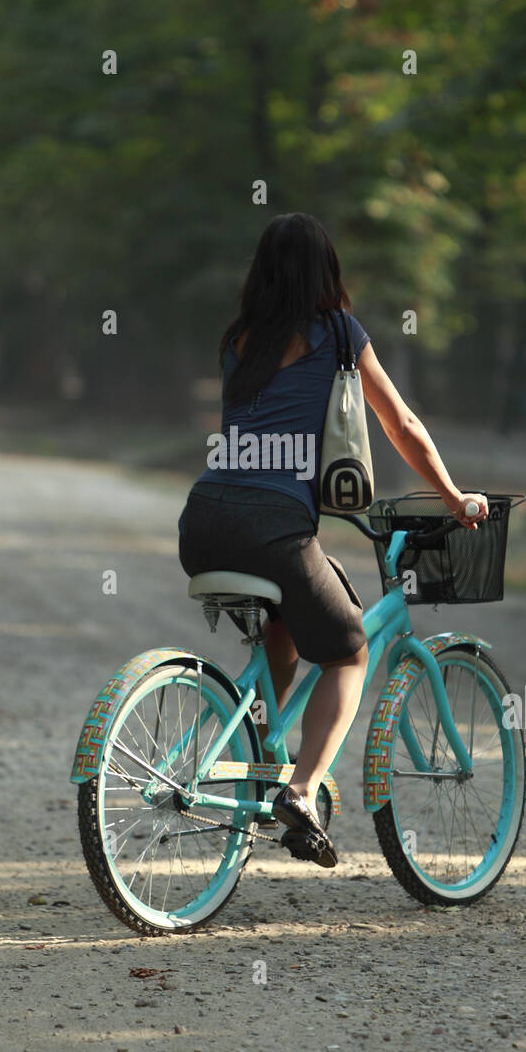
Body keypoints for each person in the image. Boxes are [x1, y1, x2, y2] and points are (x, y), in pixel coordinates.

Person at [177, 212, 487, 869]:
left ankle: (264, 736)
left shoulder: (237, 340)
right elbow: (400, 423)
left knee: (290, 620)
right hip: (271, 529)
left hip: (203, 521)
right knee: (349, 649)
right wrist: (454, 496)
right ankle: (300, 788)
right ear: (327, 273)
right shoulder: (339, 334)